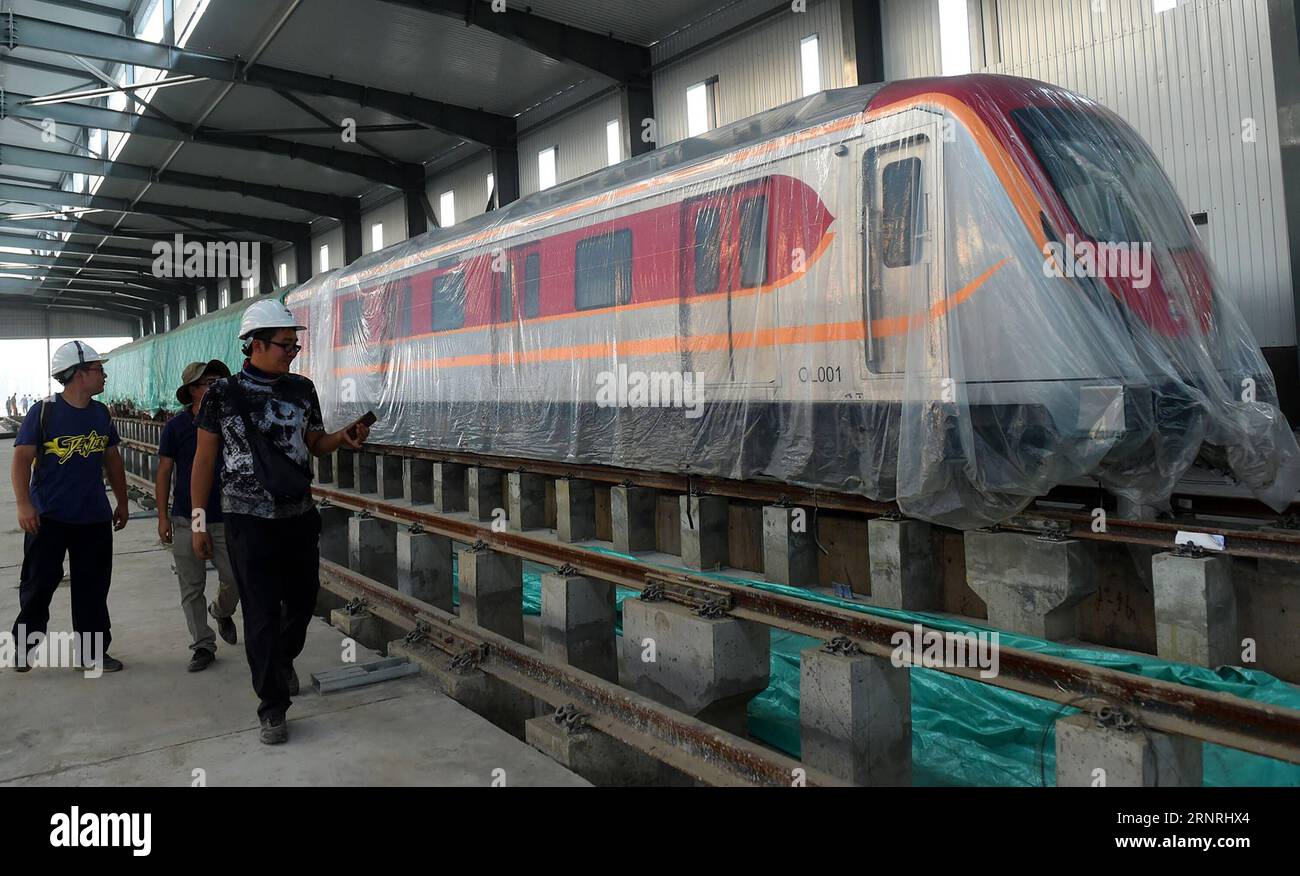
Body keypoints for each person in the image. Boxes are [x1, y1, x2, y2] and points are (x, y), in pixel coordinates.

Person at [191, 300, 369, 744]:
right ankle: (272, 706)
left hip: (297, 513)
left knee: (304, 600)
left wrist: (341, 438)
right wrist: (198, 521)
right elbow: (203, 460)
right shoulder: (221, 394)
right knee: (262, 612)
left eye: (295, 344)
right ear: (254, 344)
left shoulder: (302, 389)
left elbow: (314, 442)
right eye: (284, 344)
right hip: (247, 521)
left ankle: (282, 659)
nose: (293, 350)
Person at [10, 341, 128, 672]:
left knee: (92, 589)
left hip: (93, 517)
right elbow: (21, 460)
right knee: (38, 585)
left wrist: (121, 501)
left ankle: (92, 654)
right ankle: (23, 648)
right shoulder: (44, 411)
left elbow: (112, 459)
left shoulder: (101, 413)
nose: (104, 375)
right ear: (77, 374)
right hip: (48, 517)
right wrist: (24, 504)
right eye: (98, 369)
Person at [156, 360, 240, 672]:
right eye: (209, 383)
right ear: (193, 390)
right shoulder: (177, 427)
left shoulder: (231, 423)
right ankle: (202, 645)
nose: (216, 388)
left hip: (226, 518)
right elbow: (165, 472)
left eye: (220, 382)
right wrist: (162, 517)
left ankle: (220, 610)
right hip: (186, 519)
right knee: (191, 587)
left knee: (236, 578)